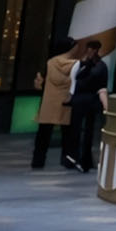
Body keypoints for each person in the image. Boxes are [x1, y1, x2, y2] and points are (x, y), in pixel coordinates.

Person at [31, 37, 77, 169]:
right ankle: (68, 160)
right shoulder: (74, 65)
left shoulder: (49, 63)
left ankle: (38, 161)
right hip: (66, 102)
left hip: (48, 102)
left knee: (43, 135)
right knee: (68, 134)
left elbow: (39, 84)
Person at [64, 39, 109, 173]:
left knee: (84, 130)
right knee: (82, 130)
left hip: (86, 100)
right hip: (87, 100)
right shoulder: (92, 65)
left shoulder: (94, 66)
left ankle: (81, 159)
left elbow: (97, 85)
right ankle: (80, 159)